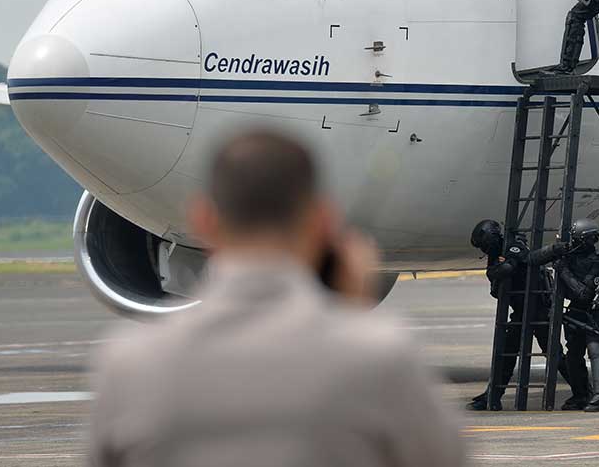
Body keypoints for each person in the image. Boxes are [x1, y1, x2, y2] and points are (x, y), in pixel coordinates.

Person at [89, 130, 464, 467]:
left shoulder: (129, 364)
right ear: (322, 221)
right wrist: (352, 316)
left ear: (203, 220)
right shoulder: (381, 357)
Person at [466, 219, 569, 410]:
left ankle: (582, 392)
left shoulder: (512, 246)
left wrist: (553, 250)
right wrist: (502, 267)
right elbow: (494, 275)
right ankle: (493, 396)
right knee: (506, 353)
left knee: (554, 353)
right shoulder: (497, 253)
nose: (484, 251)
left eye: (484, 245)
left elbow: (523, 262)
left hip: (537, 308)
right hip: (520, 310)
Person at [556, 219, 599, 411]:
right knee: (573, 356)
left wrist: (563, 272)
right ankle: (580, 395)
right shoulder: (571, 259)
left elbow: (584, 293)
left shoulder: (598, 263)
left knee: (596, 351)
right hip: (576, 312)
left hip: (593, 312)